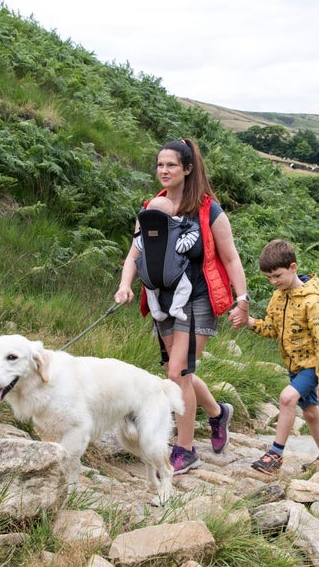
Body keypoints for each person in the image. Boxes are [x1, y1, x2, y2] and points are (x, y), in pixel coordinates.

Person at [115, 139, 251, 474]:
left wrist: (242, 299)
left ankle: (185, 449)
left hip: (199, 297)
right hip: (162, 299)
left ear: (188, 168)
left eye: (171, 165)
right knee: (180, 373)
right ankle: (218, 413)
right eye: (160, 165)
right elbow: (135, 254)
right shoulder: (151, 208)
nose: (164, 171)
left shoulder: (209, 211)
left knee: (178, 373)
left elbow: (231, 258)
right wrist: (124, 287)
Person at [233, 239, 319, 474]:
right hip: (294, 366)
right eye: (269, 278)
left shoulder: (314, 301)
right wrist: (249, 322)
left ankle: (275, 454)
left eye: (277, 276)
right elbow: (272, 329)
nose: (273, 282)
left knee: (287, 398)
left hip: (313, 366)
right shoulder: (278, 297)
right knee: (310, 413)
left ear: (293, 267)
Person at [133, 195, 199, 322]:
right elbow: (181, 248)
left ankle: (156, 311)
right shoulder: (175, 226)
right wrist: (191, 236)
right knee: (185, 287)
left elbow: (139, 246)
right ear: (171, 213)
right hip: (171, 272)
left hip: (149, 275)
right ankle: (176, 308)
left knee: (151, 291)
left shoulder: (144, 230)